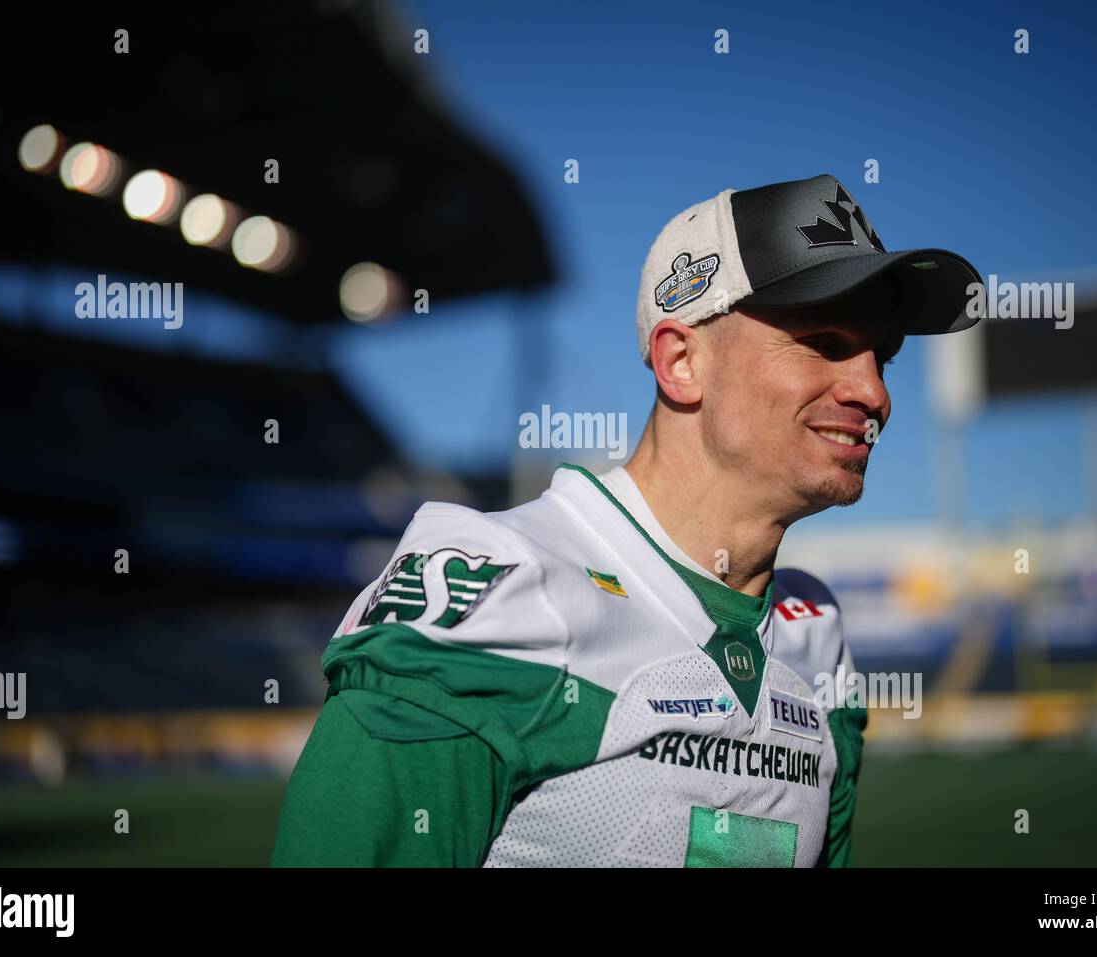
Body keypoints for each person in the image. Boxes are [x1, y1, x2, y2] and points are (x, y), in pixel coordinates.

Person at [272, 173, 983, 867]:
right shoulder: (494, 589)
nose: (874, 393)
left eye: (881, 356)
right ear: (680, 362)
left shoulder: (815, 634)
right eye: (826, 341)